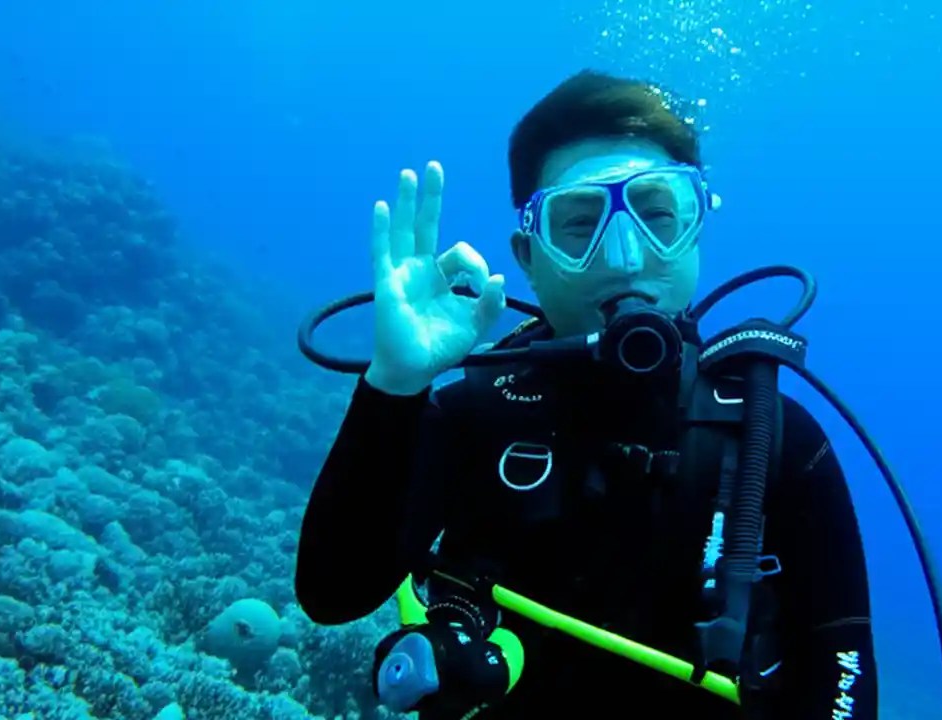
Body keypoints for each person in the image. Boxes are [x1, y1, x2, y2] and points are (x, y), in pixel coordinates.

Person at [294, 69, 879, 719]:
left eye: (659, 213)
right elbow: (332, 593)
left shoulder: (777, 439)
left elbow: (842, 670)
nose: (626, 257)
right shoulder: (477, 416)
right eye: (580, 224)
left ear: (696, 228)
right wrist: (394, 386)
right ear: (527, 255)